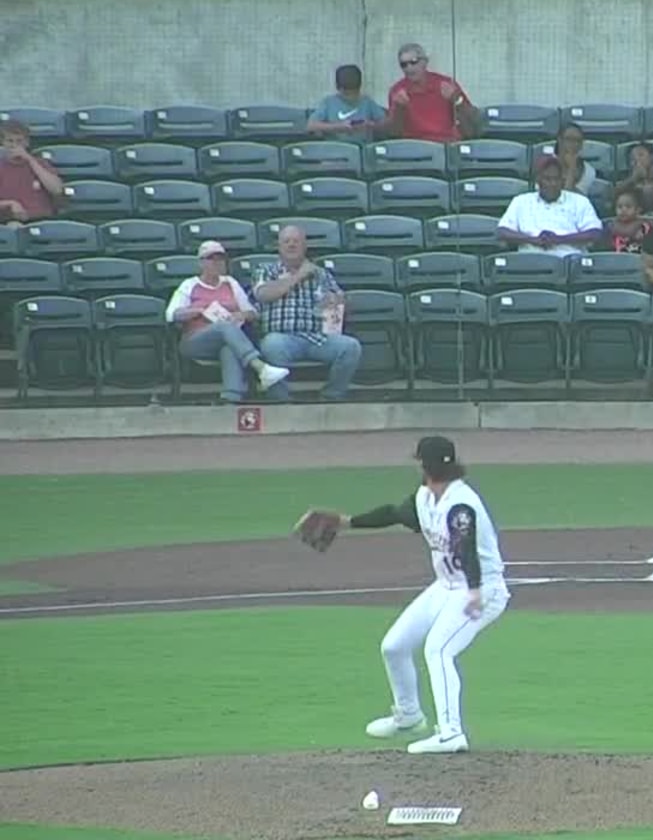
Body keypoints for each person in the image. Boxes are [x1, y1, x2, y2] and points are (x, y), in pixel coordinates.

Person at [306, 436, 511, 755]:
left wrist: (473, 592)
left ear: (425, 466)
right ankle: (409, 716)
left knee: (439, 651)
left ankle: (450, 733)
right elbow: (394, 513)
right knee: (394, 646)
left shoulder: (459, 504)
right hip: (446, 587)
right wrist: (347, 522)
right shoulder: (427, 499)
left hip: (481, 590)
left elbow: (466, 548)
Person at [164, 240, 291, 404]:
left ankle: (232, 399)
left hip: (227, 338)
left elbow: (253, 312)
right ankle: (259, 367)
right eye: (211, 259)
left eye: (220, 259)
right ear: (201, 263)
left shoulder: (230, 283)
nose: (217, 263)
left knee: (229, 347)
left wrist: (241, 315)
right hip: (195, 340)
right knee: (225, 328)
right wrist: (198, 311)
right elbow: (171, 315)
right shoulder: (189, 285)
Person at [251, 225, 364, 401]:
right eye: (286, 241)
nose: (291, 245)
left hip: (316, 337)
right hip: (282, 337)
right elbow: (262, 295)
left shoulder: (320, 273)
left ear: (304, 246)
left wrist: (337, 300)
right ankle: (280, 400)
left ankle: (331, 396)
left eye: (296, 241)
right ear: (279, 247)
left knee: (350, 347)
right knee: (272, 345)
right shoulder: (266, 270)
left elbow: (341, 301)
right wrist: (298, 276)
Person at [495, 156, 604, 257]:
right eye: (547, 179)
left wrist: (559, 239)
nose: (553, 183)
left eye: (556, 179)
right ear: (538, 180)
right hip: (531, 260)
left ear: (562, 180)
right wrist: (533, 240)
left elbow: (595, 233)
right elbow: (502, 232)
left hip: (569, 259)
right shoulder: (521, 201)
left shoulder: (579, 201)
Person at [384, 43, 478, 144]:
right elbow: (393, 133)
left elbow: (473, 124)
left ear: (425, 62)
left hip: (445, 145)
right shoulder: (397, 91)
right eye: (404, 65)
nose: (409, 68)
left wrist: (457, 99)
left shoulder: (445, 84)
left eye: (414, 62)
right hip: (413, 147)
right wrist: (399, 108)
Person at [0, 120, 63, 225]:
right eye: (10, 141)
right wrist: (9, 204)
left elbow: (57, 190)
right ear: (3, 143)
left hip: (43, 220)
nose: (14, 145)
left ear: (27, 143)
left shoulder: (41, 163)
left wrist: (30, 160)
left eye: (19, 141)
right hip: (11, 221)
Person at [308, 64, 388, 143]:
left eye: (355, 93)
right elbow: (311, 126)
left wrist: (371, 125)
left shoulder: (367, 102)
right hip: (335, 149)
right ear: (338, 88)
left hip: (362, 149)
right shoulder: (328, 102)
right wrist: (338, 127)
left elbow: (386, 124)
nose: (351, 98)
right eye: (346, 94)